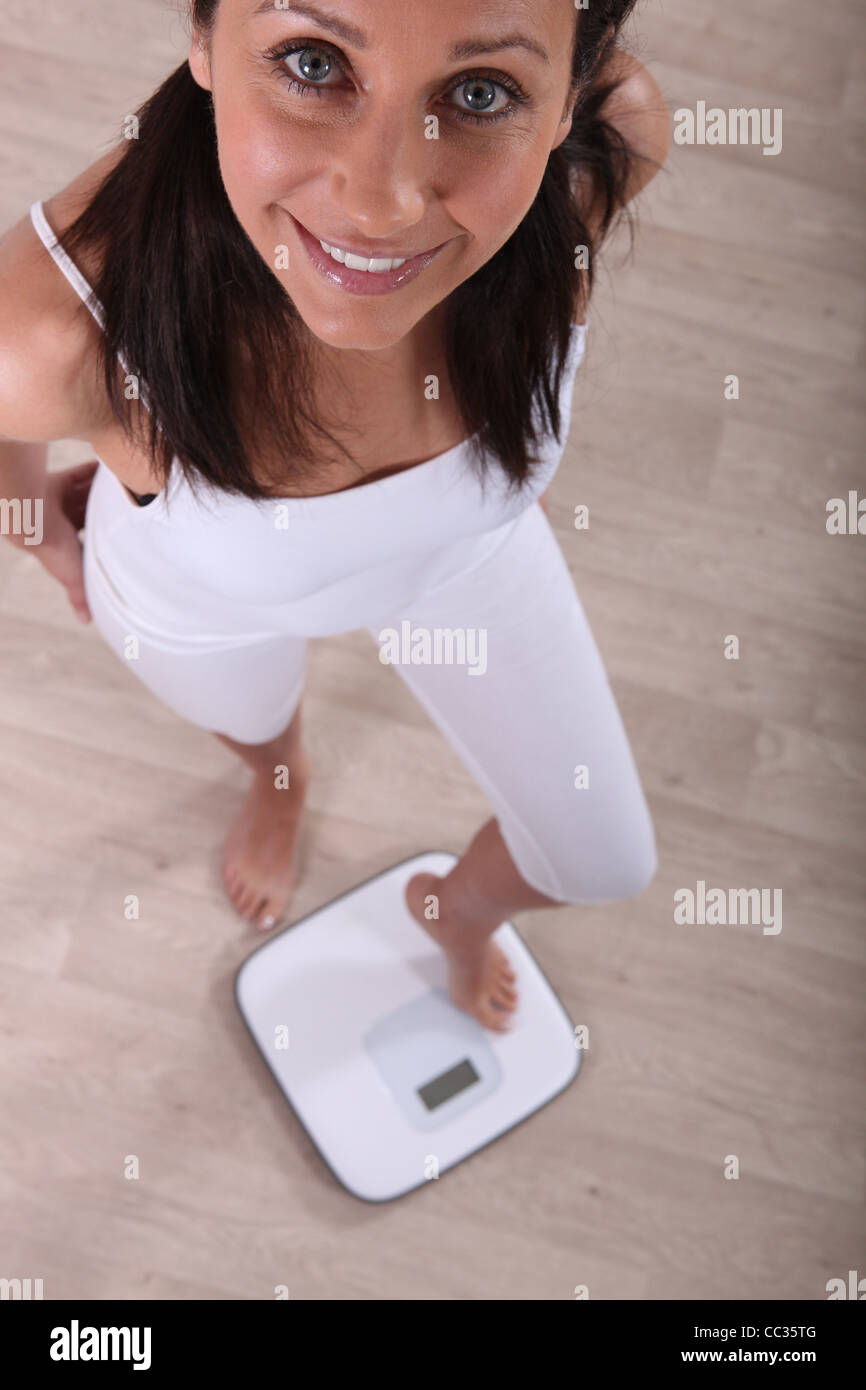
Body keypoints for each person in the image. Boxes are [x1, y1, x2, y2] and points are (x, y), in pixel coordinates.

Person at [0, 0, 670, 1031]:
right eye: (312, 63)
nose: (382, 201)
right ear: (201, 37)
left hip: (464, 561)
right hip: (203, 607)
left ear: (565, 98)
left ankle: (453, 915)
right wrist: (44, 531)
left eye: (479, 93)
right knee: (262, 736)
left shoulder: (600, 144)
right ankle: (281, 781)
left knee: (600, 856)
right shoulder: (57, 330)